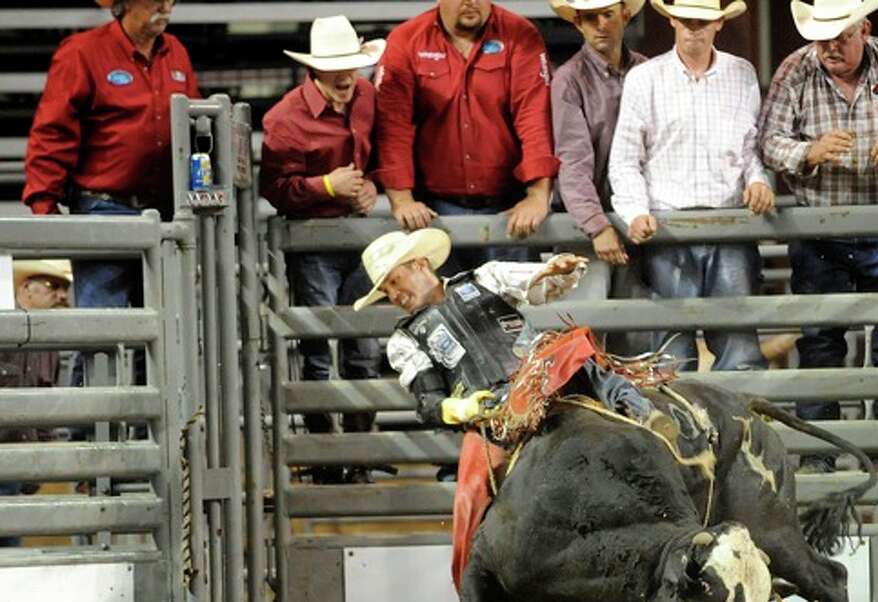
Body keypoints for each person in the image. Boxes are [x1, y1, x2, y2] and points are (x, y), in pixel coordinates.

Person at [353, 229, 657, 597]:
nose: (395, 296)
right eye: (386, 291)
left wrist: (554, 269)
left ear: (419, 264)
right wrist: (463, 407)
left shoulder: (484, 278)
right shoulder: (406, 341)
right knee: (469, 498)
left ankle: (641, 413)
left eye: (395, 281)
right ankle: (482, 595)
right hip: (494, 413)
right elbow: (428, 403)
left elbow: (539, 281)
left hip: (541, 376)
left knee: (574, 346)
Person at [758, 0, 878, 473]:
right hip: (822, 227)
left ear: (865, 29)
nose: (831, 46)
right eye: (822, 37)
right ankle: (819, 454)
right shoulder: (795, 70)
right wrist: (810, 152)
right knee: (820, 341)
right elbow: (769, 141)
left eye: (841, 35)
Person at [22, 0, 199, 354]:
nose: (166, 6)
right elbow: (53, 130)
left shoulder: (175, 52)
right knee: (102, 332)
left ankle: (139, 410)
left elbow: (196, 121)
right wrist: (44, 203)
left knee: (161, 335)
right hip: (105, 206)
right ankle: (97, 410)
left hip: (162, 212)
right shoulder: (83, 53)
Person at [608, 0, 772, 372]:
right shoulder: (645, 79)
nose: (692, 29)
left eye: (702, 21)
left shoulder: (741, 73)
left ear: (717, 25)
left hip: (729, 224)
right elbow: (625, 158)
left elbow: (749, 150)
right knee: (669, 354)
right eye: (686, 21)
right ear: (672, 22)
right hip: (668, 227)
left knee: (739, 347)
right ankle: (678, 429)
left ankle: (739, 429)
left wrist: (758, 181)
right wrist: (636, 212)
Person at [260, 15, 386, 484]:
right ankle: (330, 454)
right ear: (315, 73)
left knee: (363, 346)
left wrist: (370, 185)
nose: (347, 85)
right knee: (319, 349)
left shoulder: (366, 97)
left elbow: (379, 153)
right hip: (315, 240)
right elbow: (275, 188)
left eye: (351, 74)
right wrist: (326, 185)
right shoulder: (284, 120)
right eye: (338, 78)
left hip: (353, 234)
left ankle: (357, 453)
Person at [373, 0, 559, 273]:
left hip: (508, 208)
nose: (471, 2)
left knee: (511, 309)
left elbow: (534, 117)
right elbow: (393, 127)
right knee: (441, 309)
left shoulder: (520, 34)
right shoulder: (406, 41)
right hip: (433, 209)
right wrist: (401, 199)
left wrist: (538, 195)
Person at [549, 0, 655, 355]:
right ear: (578, 23)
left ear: (625, 15)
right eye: (590, 18)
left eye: (607, 14)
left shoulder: (647, 71)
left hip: (638, 219)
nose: (599, 25)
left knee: (637, 335)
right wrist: (596, 224)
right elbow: (572, 160)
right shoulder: (569, 79)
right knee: (583, 330)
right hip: (589, 223)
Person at [1, 260, 72, 546]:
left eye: (65, 289)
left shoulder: (48, 344)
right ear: (24, 290)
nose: (62, 296)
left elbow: (45, 410)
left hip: (16, 466)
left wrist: (38, 465)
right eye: (53, 287)